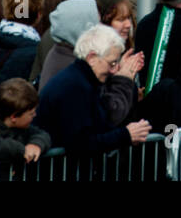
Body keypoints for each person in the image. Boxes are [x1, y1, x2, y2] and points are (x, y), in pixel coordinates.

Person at [35, 25, 149, 153]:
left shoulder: (82, 80)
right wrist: (126, 135)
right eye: (112, 63)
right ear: (92, 58)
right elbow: (80, 143)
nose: (115, 69)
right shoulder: (74, 87)